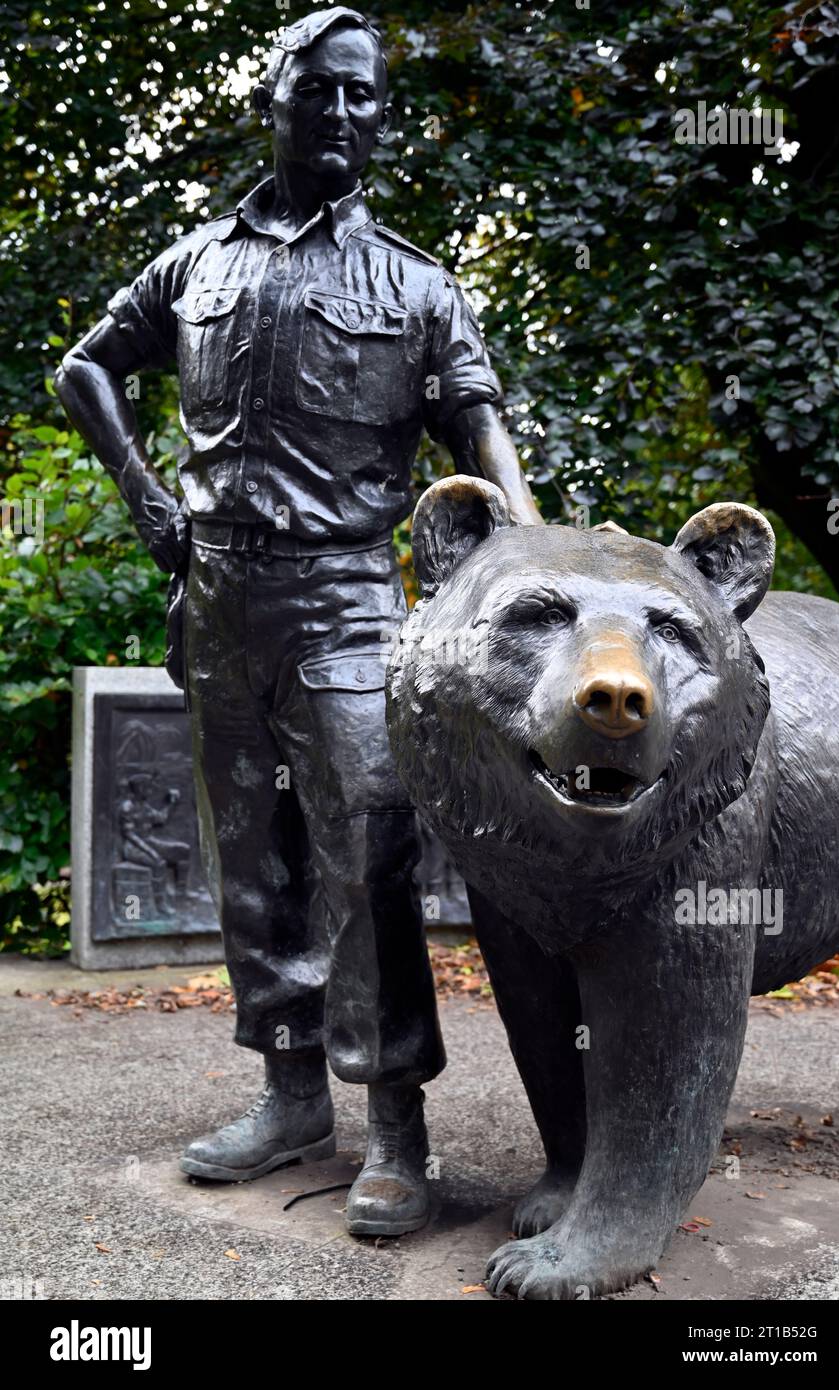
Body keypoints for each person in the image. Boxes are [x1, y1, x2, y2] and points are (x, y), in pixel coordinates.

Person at [55, 7, 542, 1237]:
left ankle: (394, 1130)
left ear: (381, 116)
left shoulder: (417, 285)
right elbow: (85, 368)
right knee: (253, 857)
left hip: (346, 601)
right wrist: (148, 500)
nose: (342, 115)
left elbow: (476, 427)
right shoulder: (196, 265)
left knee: (364, 861)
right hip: (217, 598)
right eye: (318, 93)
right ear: (272, 103)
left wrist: (533, 550)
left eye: (364, 98)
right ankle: (286, 1095)